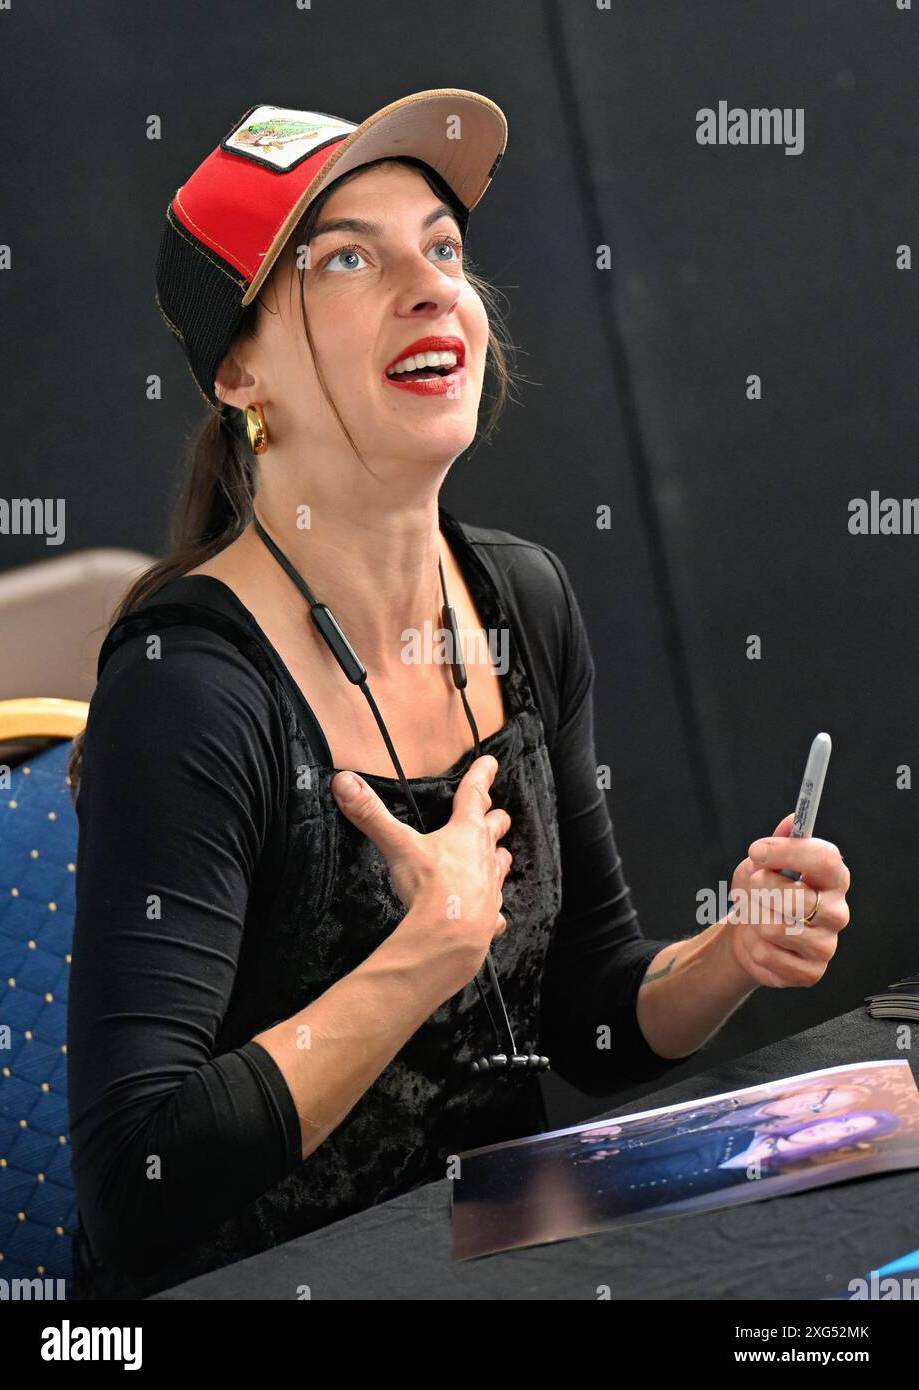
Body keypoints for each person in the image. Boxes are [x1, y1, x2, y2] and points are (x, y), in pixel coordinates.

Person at [65, 90, 852, 1300]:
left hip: (499, 1253)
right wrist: (421, 956)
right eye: (344, 259)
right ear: (238, 373)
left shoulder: (519, 600)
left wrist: (730, 953)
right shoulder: (190, 693)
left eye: (442, 247)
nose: (433, 287)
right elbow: (137, 1189)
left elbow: (586, 1024)